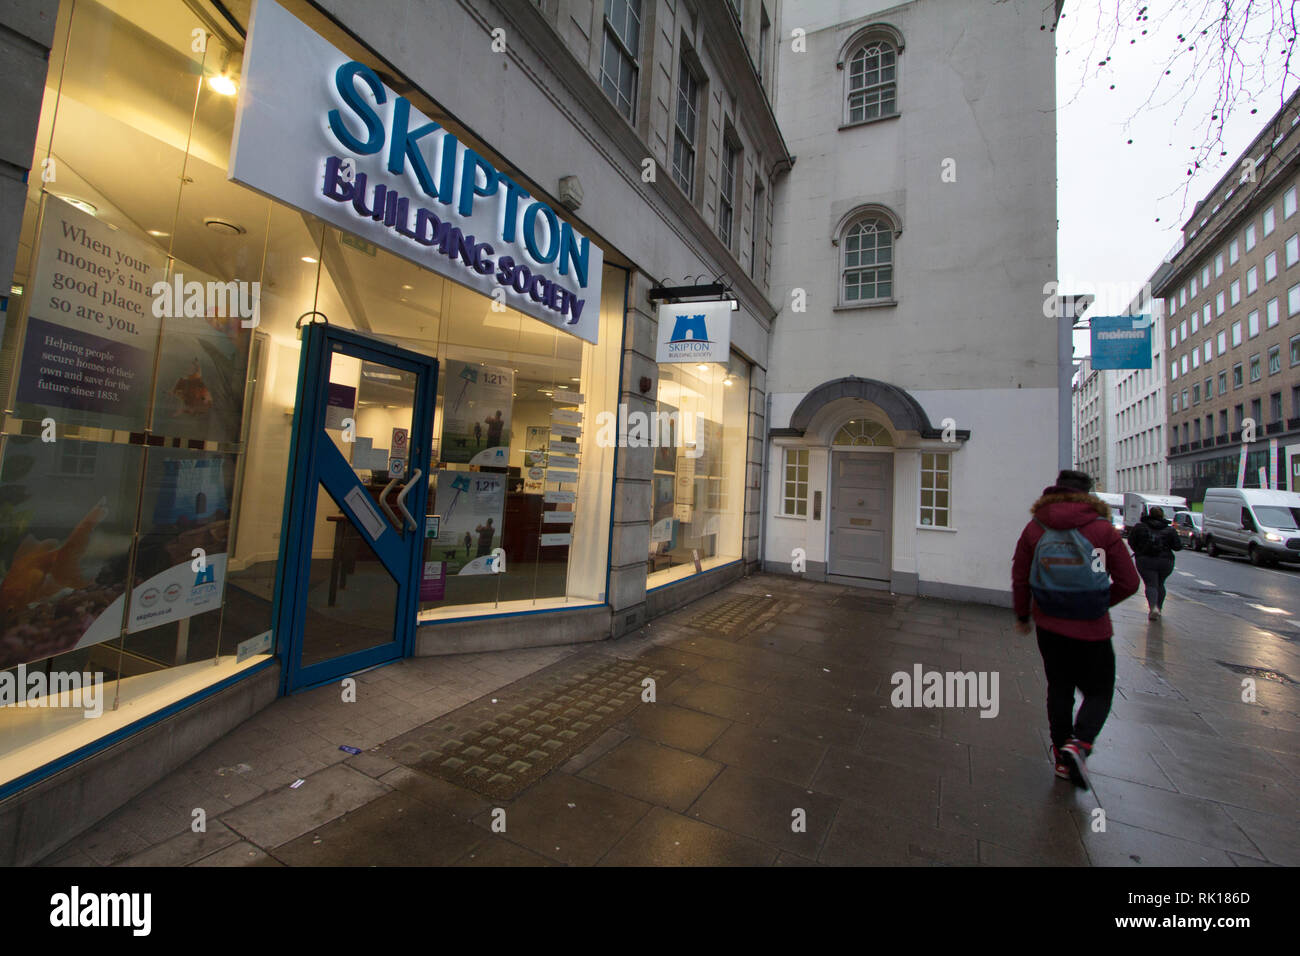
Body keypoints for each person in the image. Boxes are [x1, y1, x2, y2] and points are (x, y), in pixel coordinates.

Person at [1011, 469, 1140, 789]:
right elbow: (1129, 582)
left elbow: (1020, 576)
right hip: (1092, 627)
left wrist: (1023, 615)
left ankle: (1060, 758)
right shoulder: (1101, 529)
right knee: (1100, 690)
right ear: (1088, 496)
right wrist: (1099, 603)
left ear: (1053, 492)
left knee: (1059, 688)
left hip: (1049, 623)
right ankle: (1080, 744)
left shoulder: (1036, 527)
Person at [1128, 506, 1182, 621]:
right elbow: (1178, 546)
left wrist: (1139, 550)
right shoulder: (1170, 529)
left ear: (1149, 514)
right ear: (1162, 515)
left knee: (1151, 584)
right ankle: (1159, 608)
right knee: (1160, 584)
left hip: (1145, 560)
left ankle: (1153, 608)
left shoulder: (1140, 527)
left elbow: (1131, 541)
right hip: (1166, 561)